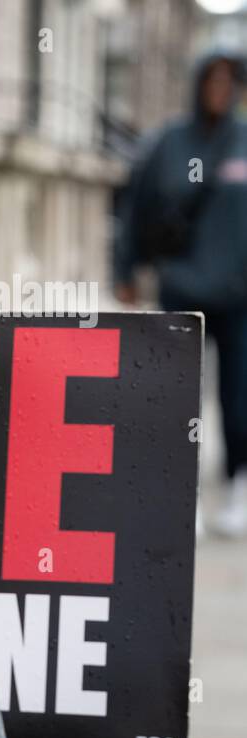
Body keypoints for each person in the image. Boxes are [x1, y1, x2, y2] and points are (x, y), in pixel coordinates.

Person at [115, 51, 247, 536]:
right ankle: (182, 493)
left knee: (239, 399)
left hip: (240, 296)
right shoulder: (170, 143)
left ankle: (237, 486)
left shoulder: (243, 141)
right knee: (179, 397)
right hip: (182, 289)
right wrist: (125, 269)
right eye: (212, 80)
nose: (219, 90)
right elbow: (135, 205)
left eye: (228, 82)